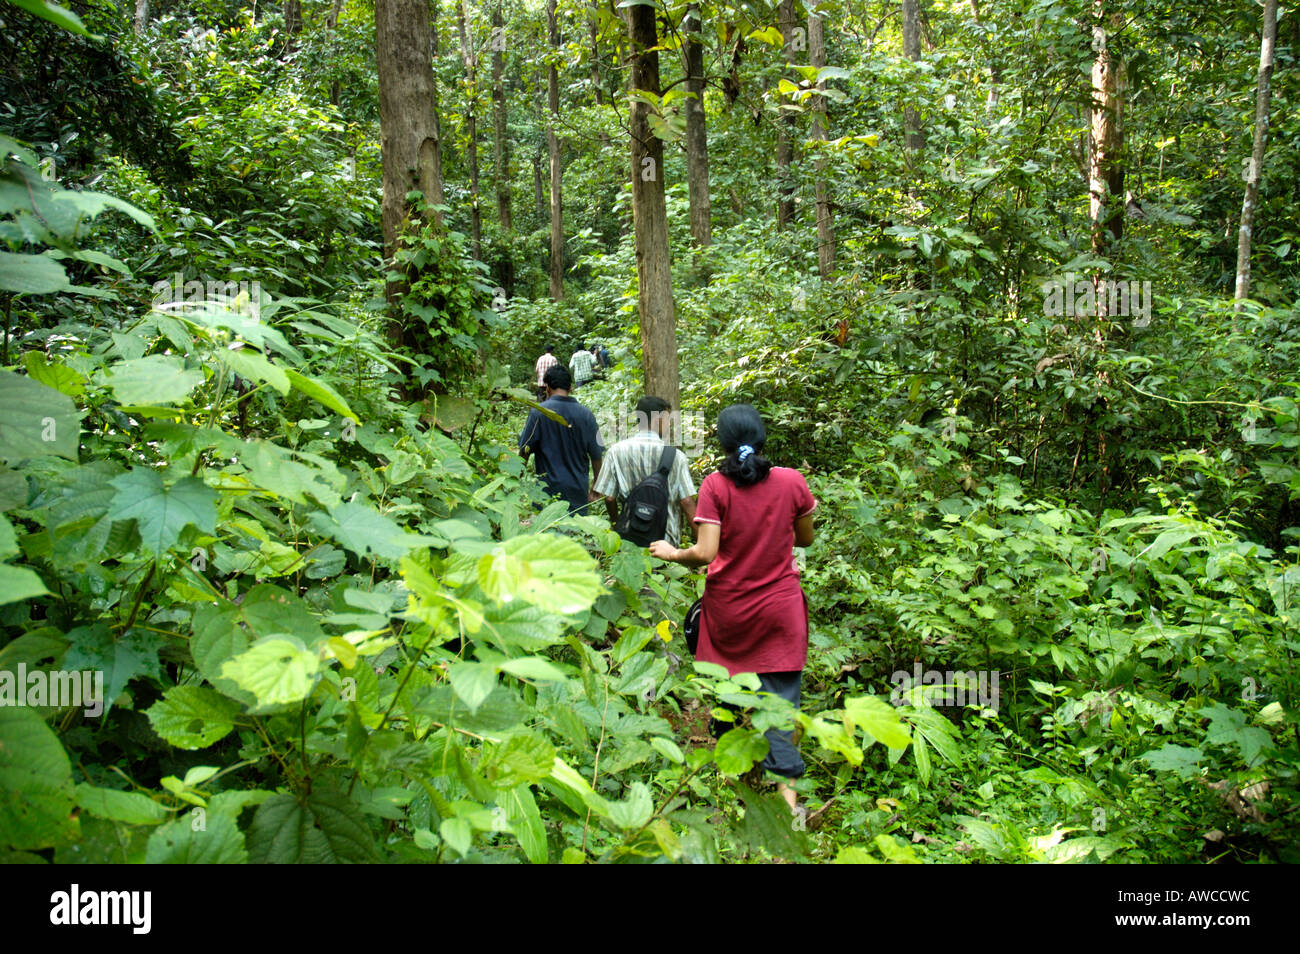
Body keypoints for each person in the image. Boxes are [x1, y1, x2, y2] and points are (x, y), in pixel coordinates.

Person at [648, 404, 816, 813]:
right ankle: (790, 810)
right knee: (782, 707)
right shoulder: (792, 482)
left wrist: (672, 553)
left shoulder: (715, 487)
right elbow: (805, 540)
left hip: (730, 613)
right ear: (762, 438)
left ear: (721, 444)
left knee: (726, 695)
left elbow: (706, 553)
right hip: (781, 610)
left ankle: (728, 791)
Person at [593, 396, 697, 547]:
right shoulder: (676, 457)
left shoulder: (616, 451)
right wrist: (699, 540)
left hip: (630, 537)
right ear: (658, 420)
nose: (669, 424)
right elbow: (687, 501)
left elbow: (609, 498)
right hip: (666, 542)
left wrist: (617, 524)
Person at [519, 363, 604, 514]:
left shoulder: (538, 413)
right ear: (570, 388)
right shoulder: (587, 415)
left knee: (546, 535)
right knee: (576, 534)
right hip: (577, 491)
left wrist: (515, 484)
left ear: (547, 388)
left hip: (546, 492)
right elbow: (597, 455)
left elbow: (524, 451)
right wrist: (597, 485)